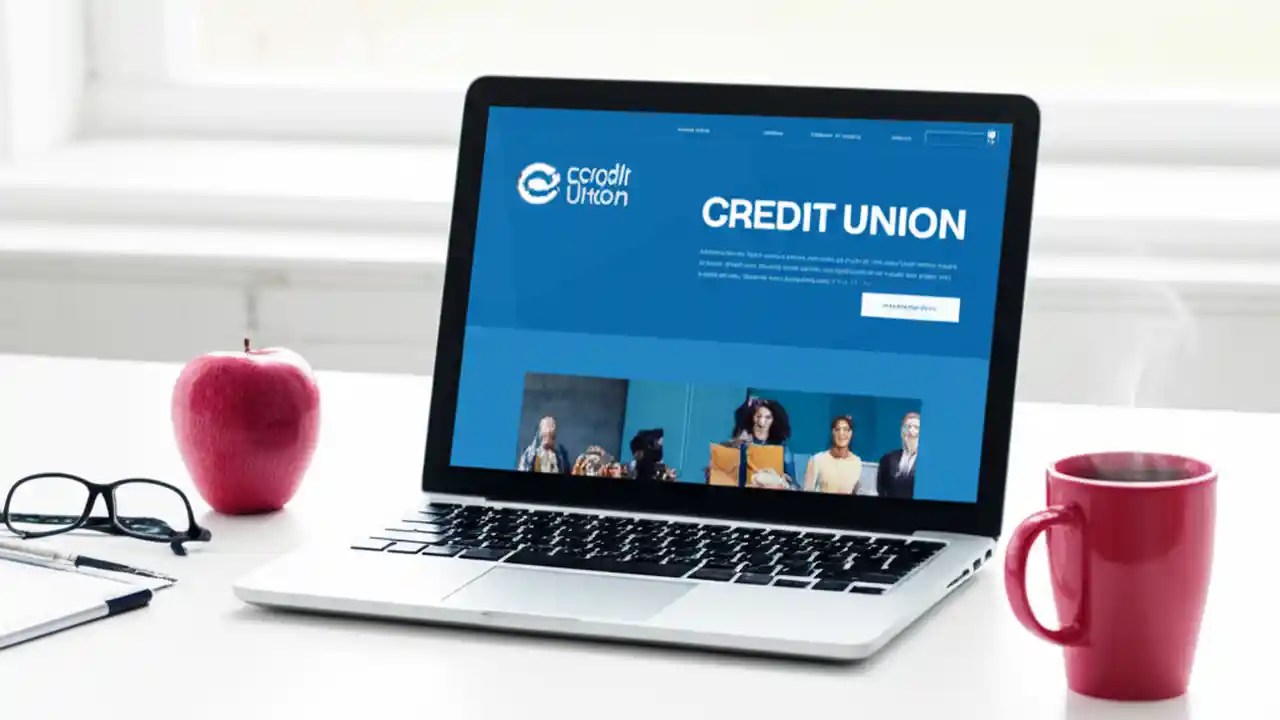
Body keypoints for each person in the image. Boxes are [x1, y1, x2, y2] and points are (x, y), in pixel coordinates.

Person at [729, 397, 797, 490]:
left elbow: (793, 483)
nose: (762, 422)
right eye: (758, 416)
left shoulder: (782, 448)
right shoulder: (742, 443)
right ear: (753, 417)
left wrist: (785, 483)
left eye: (768, 417)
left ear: (774, 420)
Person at [803, 415, 863, 494]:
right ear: (832, 432)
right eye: (837, 429)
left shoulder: (857, 463)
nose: (841, 433)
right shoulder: (817, 460)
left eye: (845, 429)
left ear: (851, 433)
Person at [876, 411, 920, 498]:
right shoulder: (887, 459)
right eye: (907, 427)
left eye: (916, 427)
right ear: (902, 432)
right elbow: (881, 489)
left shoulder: (929, 464)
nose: (911, 431)